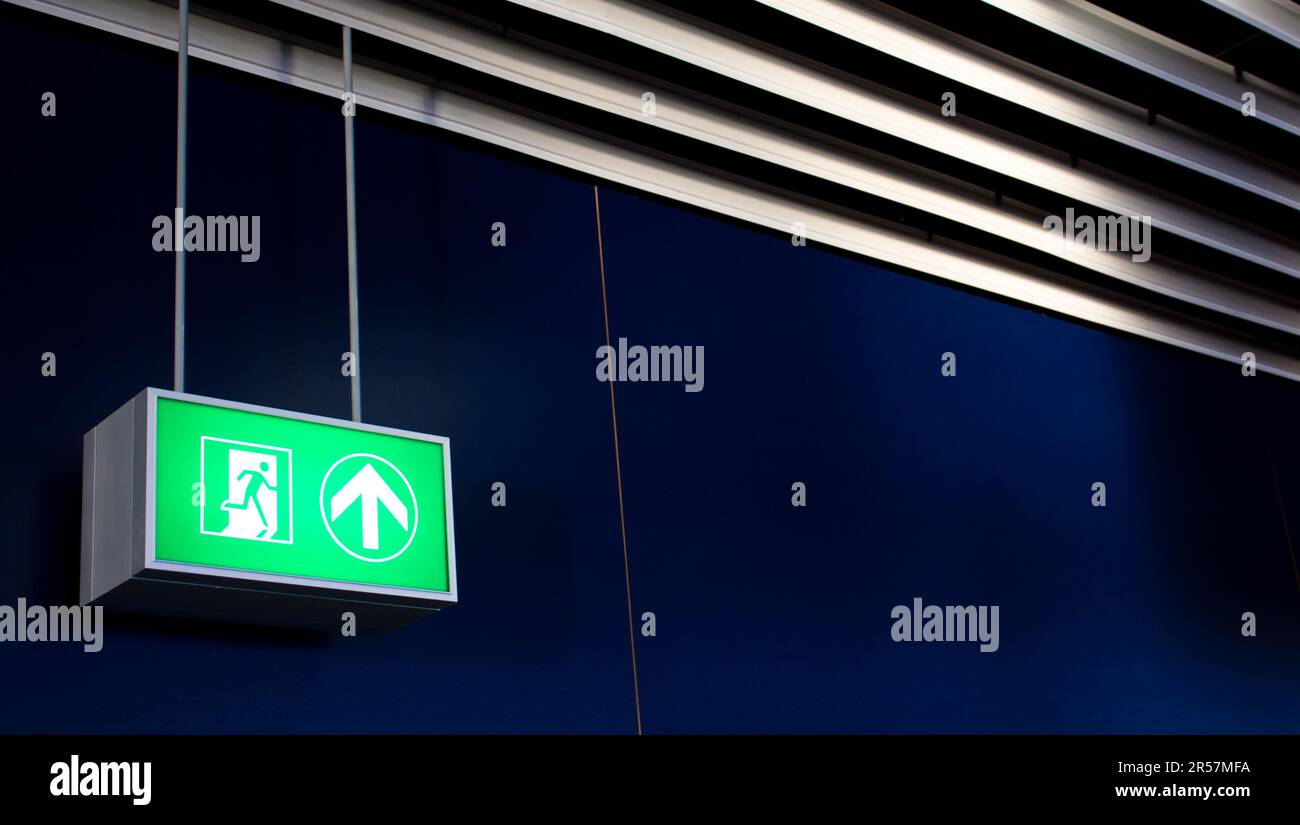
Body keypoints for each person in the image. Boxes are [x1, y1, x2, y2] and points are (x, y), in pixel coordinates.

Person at [222, 461, 276, 538]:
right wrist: (239, 477)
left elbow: (269, 487)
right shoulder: (257, 474)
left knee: (244, 506)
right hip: (249, 491)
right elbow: (245, 471)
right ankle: (265, 523)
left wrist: (277, 488)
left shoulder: (261, 477)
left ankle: (228, 505)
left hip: (253, 493)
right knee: (250, 506)